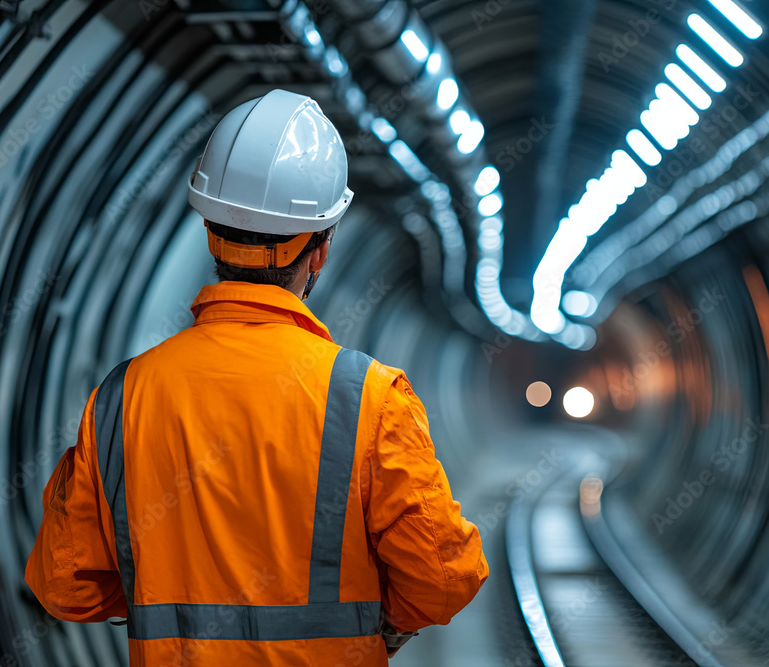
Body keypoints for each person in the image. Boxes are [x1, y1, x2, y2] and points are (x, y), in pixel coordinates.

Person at [25, 89, 488, 666]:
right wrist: (378, 621)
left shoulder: (122, 399)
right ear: (318, 251)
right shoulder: (368, 397)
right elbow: (443, 579)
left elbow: (64, 583)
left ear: (212, 229)